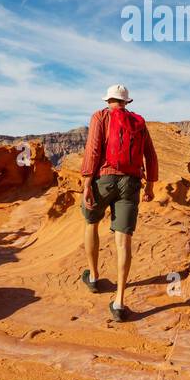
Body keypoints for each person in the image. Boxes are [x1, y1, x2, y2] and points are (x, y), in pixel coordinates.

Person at [79, 84, 158, 321]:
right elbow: (150, 155)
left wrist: (86, 183)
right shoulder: (138, 122)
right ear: (126, 102)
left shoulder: (100, 116)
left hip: (103, 179)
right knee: (123, 240)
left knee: (91, 223)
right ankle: (120, 302)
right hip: (131, 183)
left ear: (108, 100)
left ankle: (93, 278)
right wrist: (150, 185)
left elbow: (93, 149)